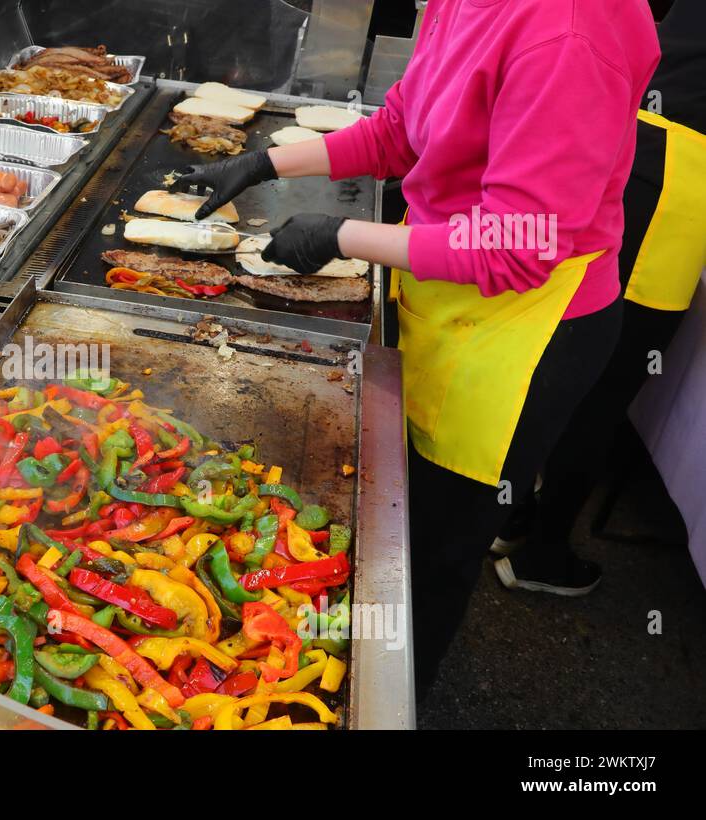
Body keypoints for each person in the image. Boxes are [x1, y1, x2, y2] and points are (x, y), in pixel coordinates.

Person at [174, 0, 661, 695]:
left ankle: (393, 697)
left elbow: (516, 247)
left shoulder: (568, 29)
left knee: (426, 561)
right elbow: (403, 129)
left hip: (521, 335)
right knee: (387, 521)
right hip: (444, 292)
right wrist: (265, 163)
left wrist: (340, 237)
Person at [493, 0, 706, 595]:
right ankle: (541, 552)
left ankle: (509, 515)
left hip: (635, 139)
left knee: (570, 354)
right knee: (604, 385)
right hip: (677, 179)